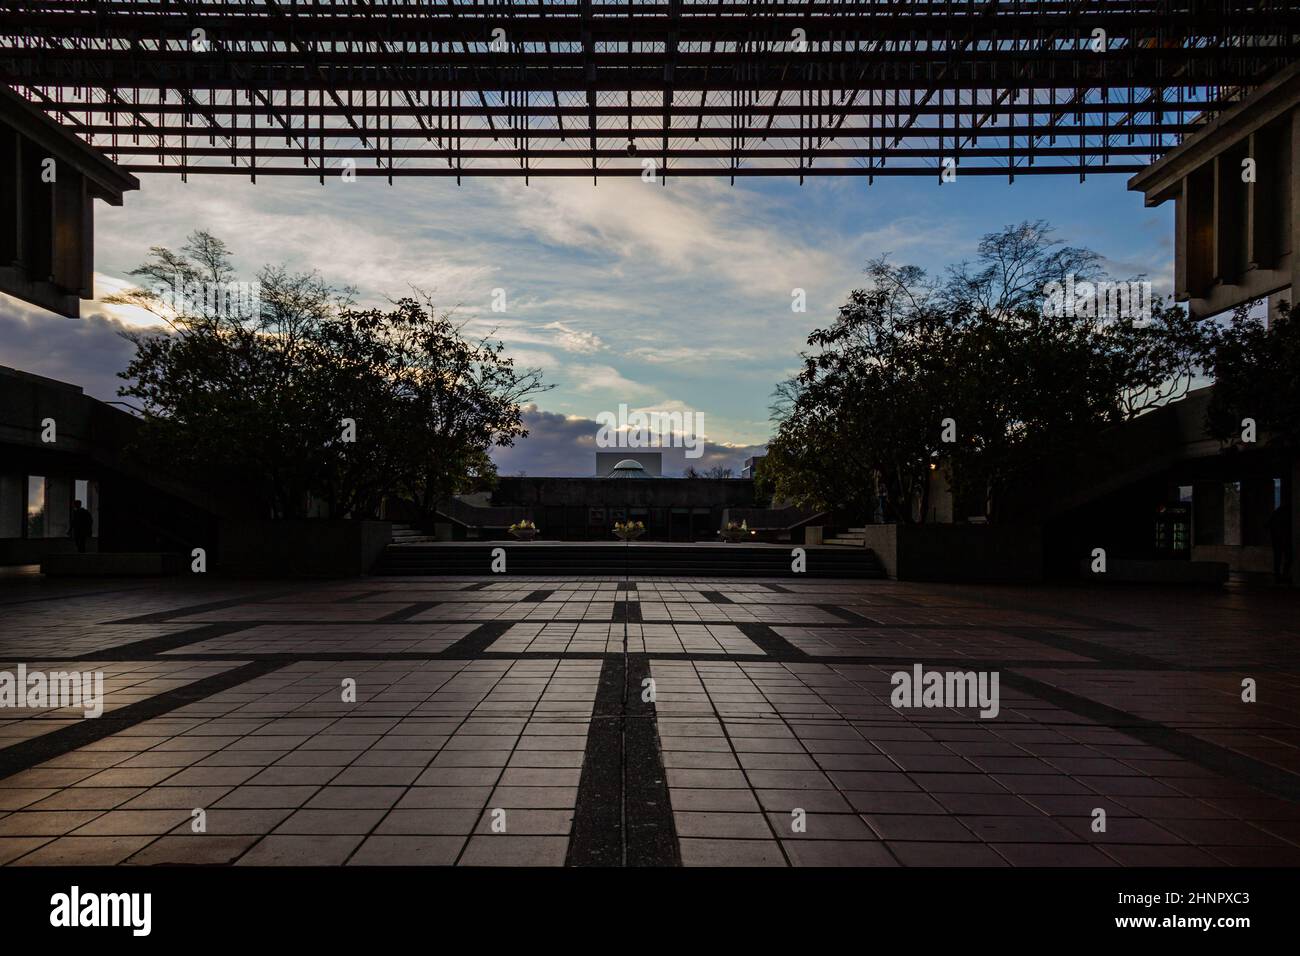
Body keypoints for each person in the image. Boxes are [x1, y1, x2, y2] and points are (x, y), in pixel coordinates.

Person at [1267, 500, 1292, 585]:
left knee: (1278, 557)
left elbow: (1268, 524)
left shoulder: (1278, 512)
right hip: (1284, 539)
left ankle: (1278, 575)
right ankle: (1285, 574)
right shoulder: (1289, 512)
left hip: (1277, 539)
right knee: (1287, 557)